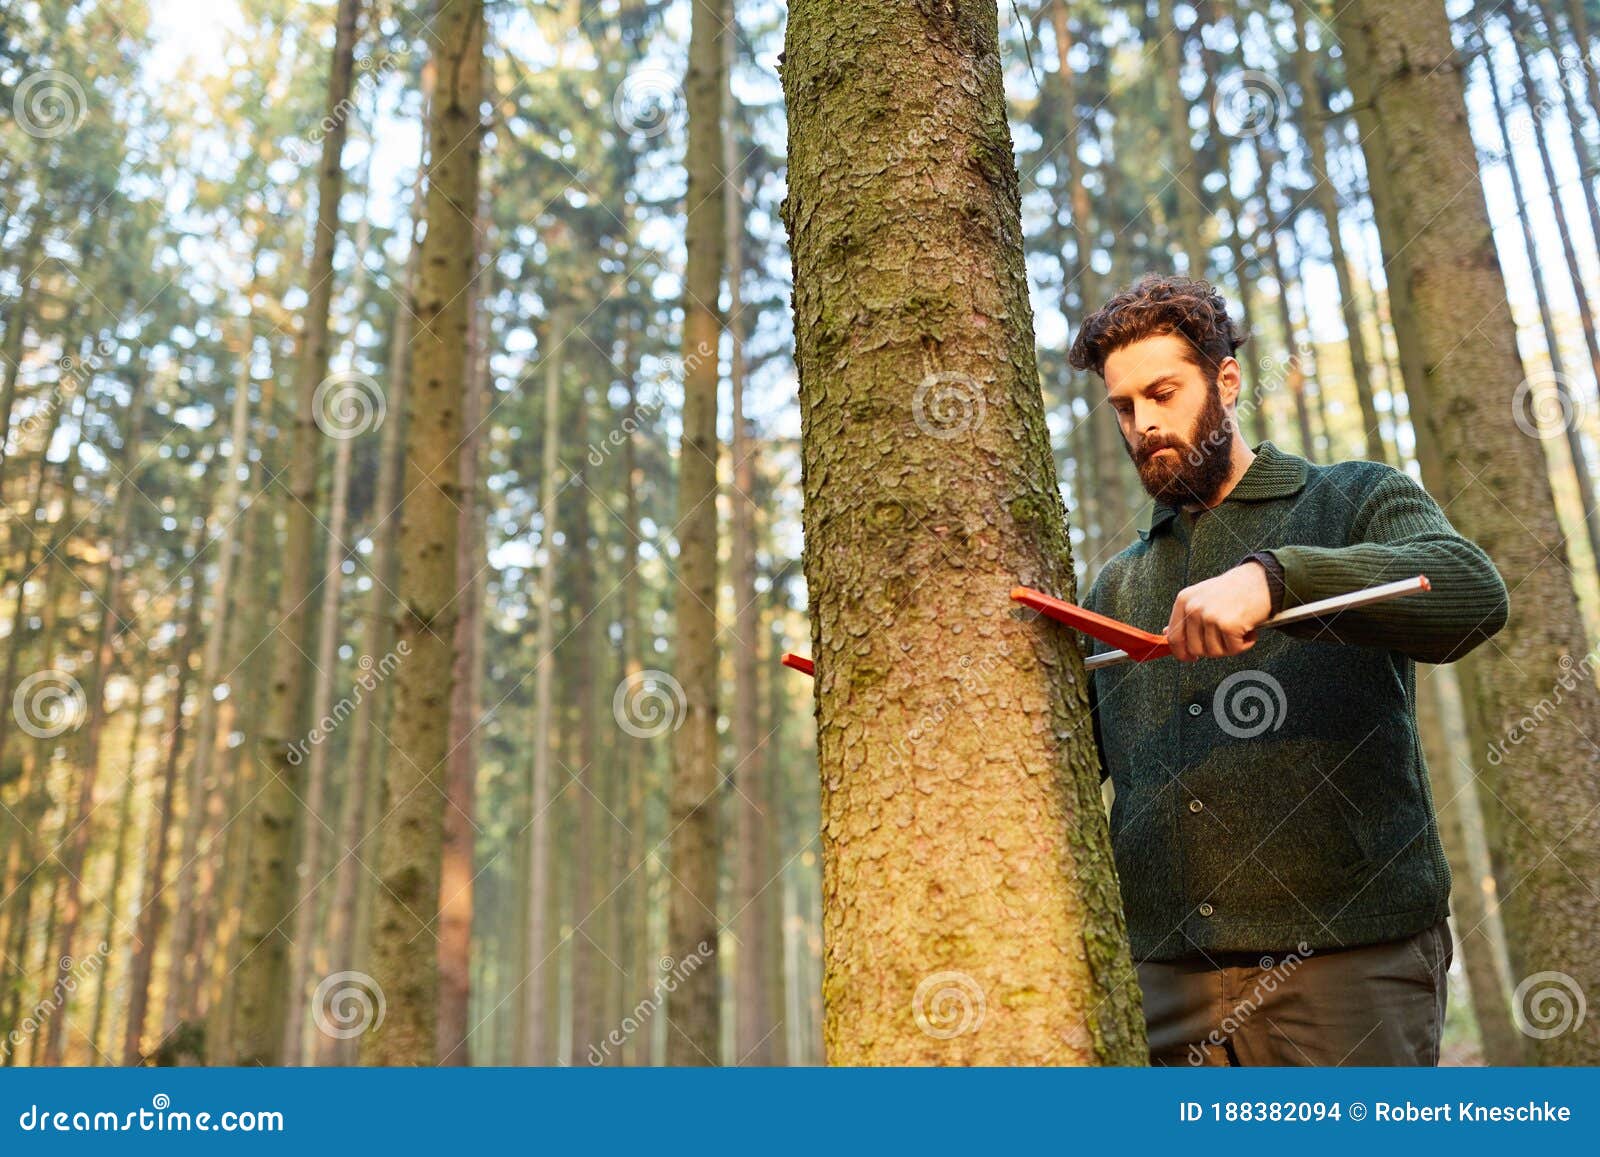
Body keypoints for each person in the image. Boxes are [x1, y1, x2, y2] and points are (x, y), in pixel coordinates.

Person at [1068, 274, 1509, 1066]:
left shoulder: (1351, 497)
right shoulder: (1115, 585)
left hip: (1348, 966)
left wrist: (1277, 578)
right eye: (1125, 407)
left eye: (1163, 392)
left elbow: (1472, 596)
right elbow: (1057, 767)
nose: (1145, 424)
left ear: (1227, 380)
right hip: (1164, 990)